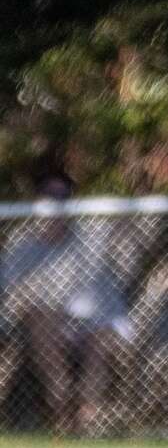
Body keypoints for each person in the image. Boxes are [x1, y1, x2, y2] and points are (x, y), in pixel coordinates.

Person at [0, 174, 133, 434]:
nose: (56, 205)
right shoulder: (21, 244)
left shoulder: (90, 236)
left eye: (63, 198)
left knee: (101, 341)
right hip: (46, 327)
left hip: (92, 324)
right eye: (50, 198)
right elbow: (12, 296)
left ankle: (85, 419)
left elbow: (124, 224)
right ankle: (60, 406)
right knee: (41, 320)